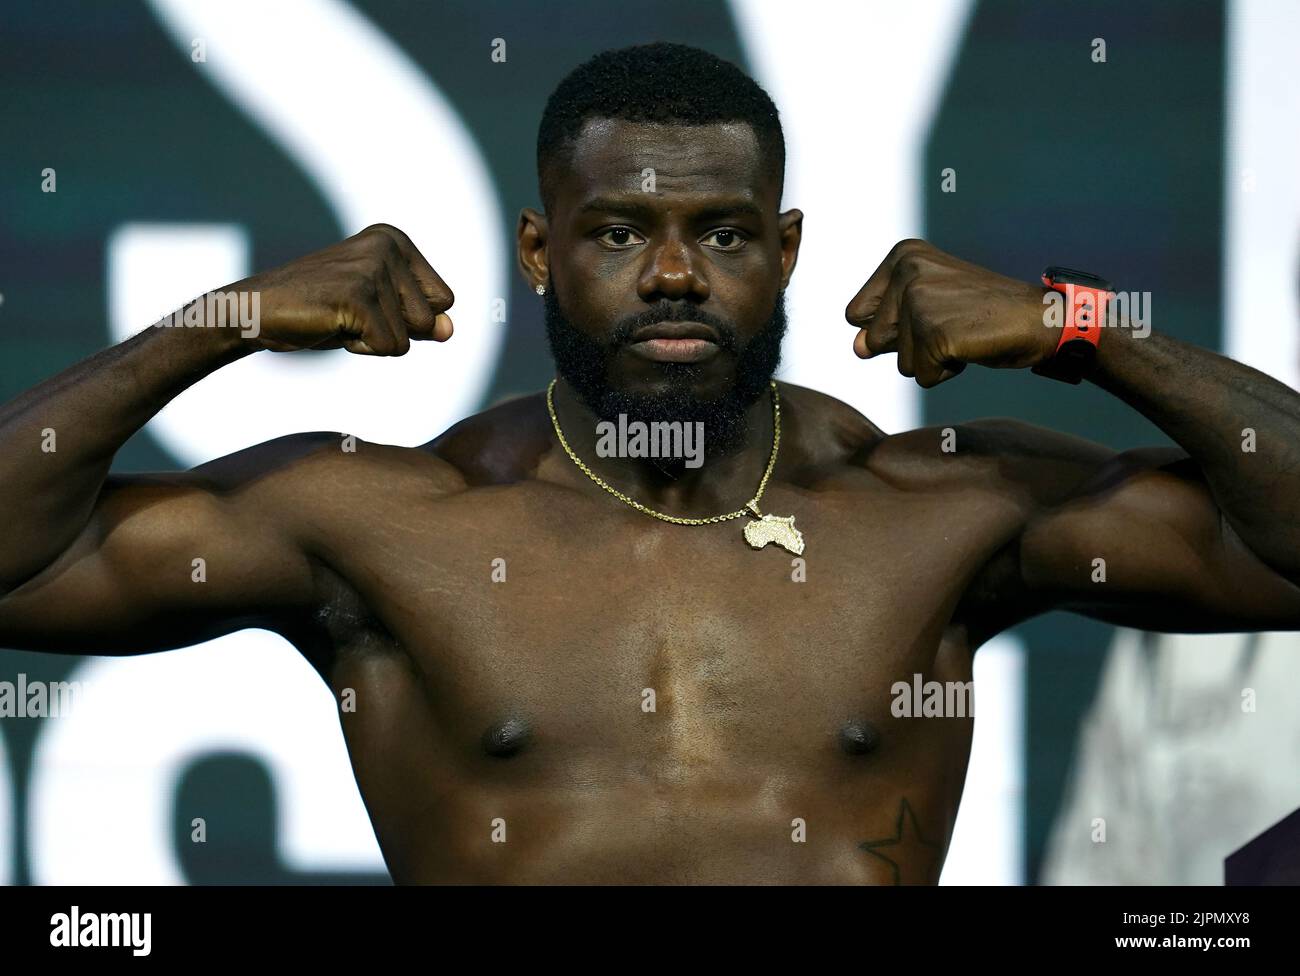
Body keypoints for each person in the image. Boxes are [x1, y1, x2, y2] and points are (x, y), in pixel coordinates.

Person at [1, 42, 1298, 884]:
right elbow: (24, 561)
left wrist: (1085, 328)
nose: (673, 273)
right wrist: (217, 317)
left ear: (786, 251)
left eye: (722, 234)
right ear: (537, 249)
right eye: (620, 231)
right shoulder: (398, 522)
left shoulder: (940, 508)